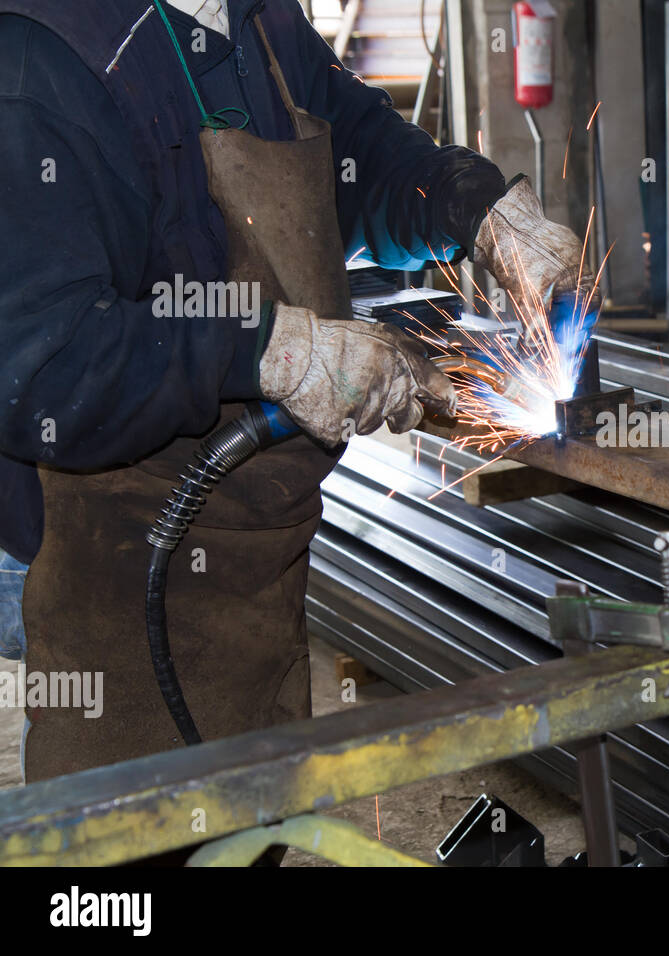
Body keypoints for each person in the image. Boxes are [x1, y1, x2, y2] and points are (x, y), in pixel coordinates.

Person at [0, 0, 588, 782]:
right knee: (135, 841)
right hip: (111, 555)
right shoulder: (41, 61)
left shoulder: (258, 18)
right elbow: (40, 369)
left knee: (253, 807)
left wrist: (477, 211)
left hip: (260, 542)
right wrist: (273, 353)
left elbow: (360, 154)